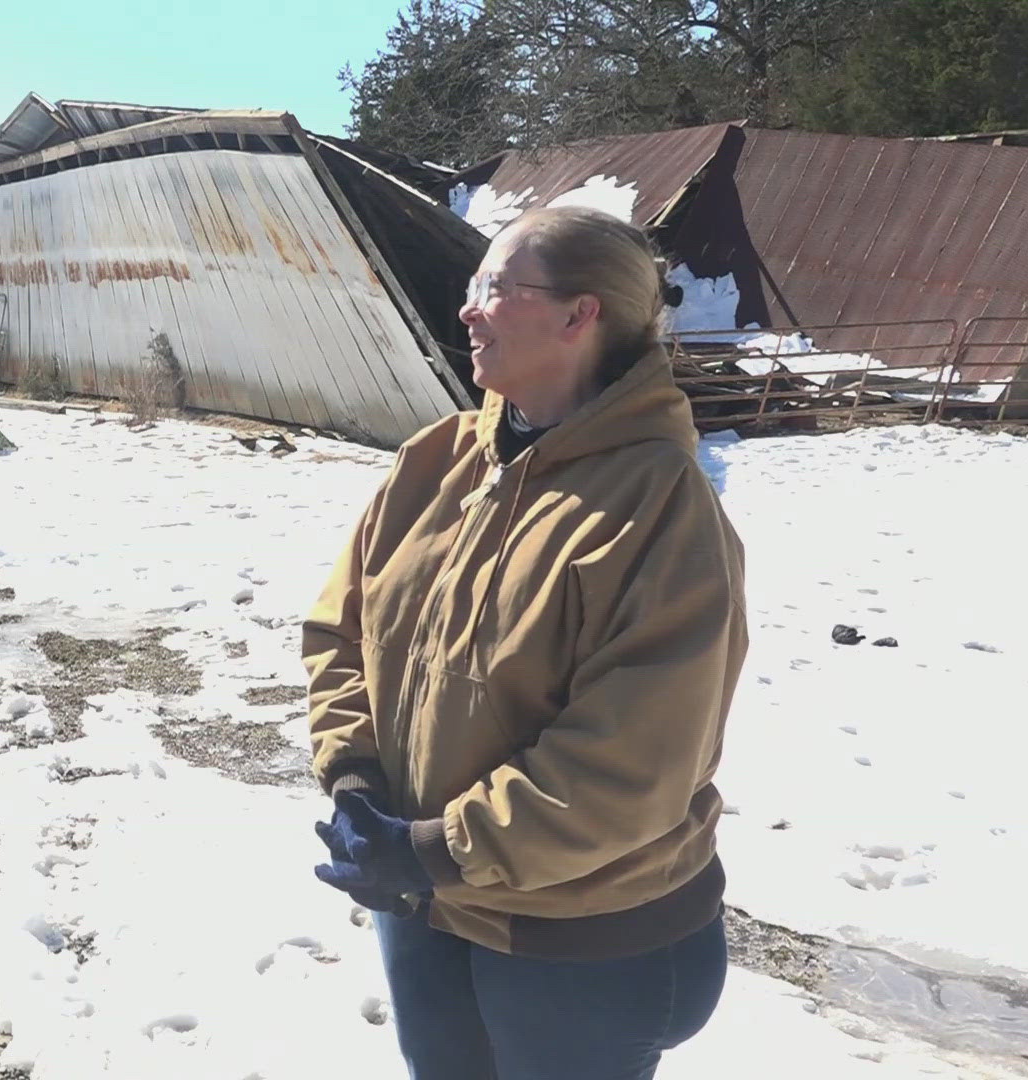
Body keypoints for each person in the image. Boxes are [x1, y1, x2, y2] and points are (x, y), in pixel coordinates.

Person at [303, 205, 747, 1079]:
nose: (469, 309)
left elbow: (633, 765)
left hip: (581, 940)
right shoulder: (439, 459)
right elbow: (341, 628)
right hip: (426, 903)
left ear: (581, 316)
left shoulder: (659, 504)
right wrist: (356, 778)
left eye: (497, 288)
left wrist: (437, 849)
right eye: (477, 287)